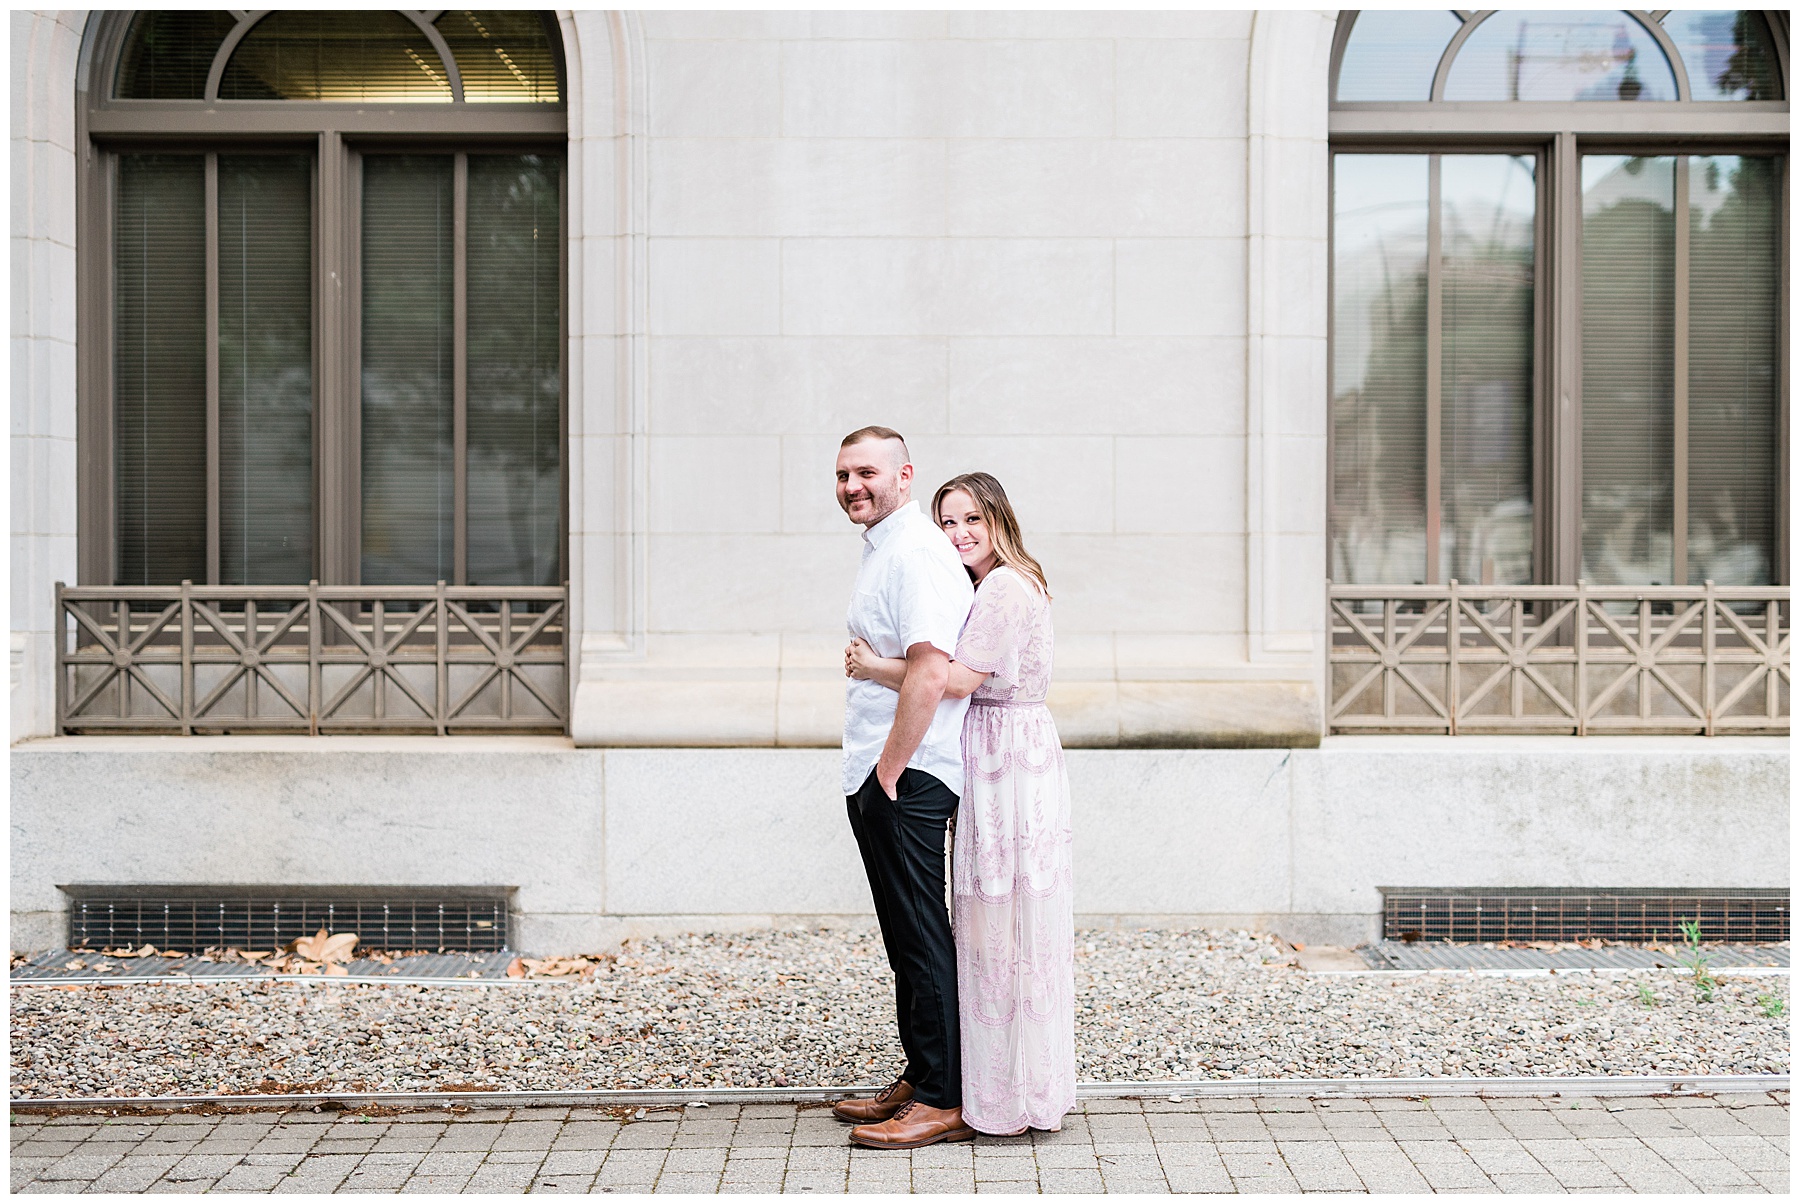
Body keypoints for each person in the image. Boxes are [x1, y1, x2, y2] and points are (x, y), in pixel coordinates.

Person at [847, 472, 1076, 1137]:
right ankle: (961, 1076)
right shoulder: (987, 583)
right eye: (946, 523)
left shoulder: (1004, 585)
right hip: (997, 749)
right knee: (986, 926)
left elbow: (958, 678)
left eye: (971, 519)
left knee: (1002, 923)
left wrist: (874, 663)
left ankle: (990, 1090)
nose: (958, 534)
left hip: (1010, 761)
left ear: (999, 519)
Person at [829, 427, 978, 1150]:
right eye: (842, 475)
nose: (853, 486)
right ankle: (923, 1075)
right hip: (882, 769)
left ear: (904, 475)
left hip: (907, 775)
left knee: (922, 937)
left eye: (867, 472)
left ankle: (945, 1099)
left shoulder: (917, 553)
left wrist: (889, 771)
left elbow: (929, 670)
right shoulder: (887, 550)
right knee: (904, 940)